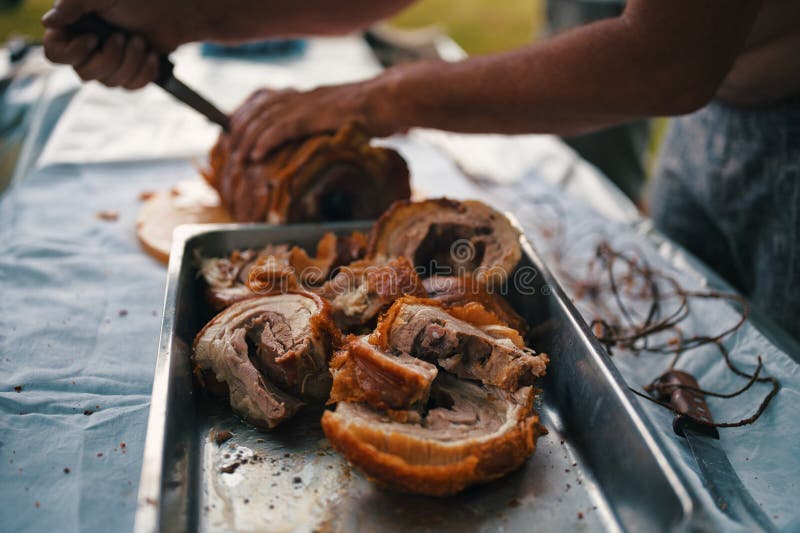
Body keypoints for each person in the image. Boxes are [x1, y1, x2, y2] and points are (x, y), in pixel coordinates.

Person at [40, 0, 800, 339]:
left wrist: (384, 96)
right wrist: (187, 15)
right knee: (699, 355)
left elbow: (665, 59)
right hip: (713, 122)